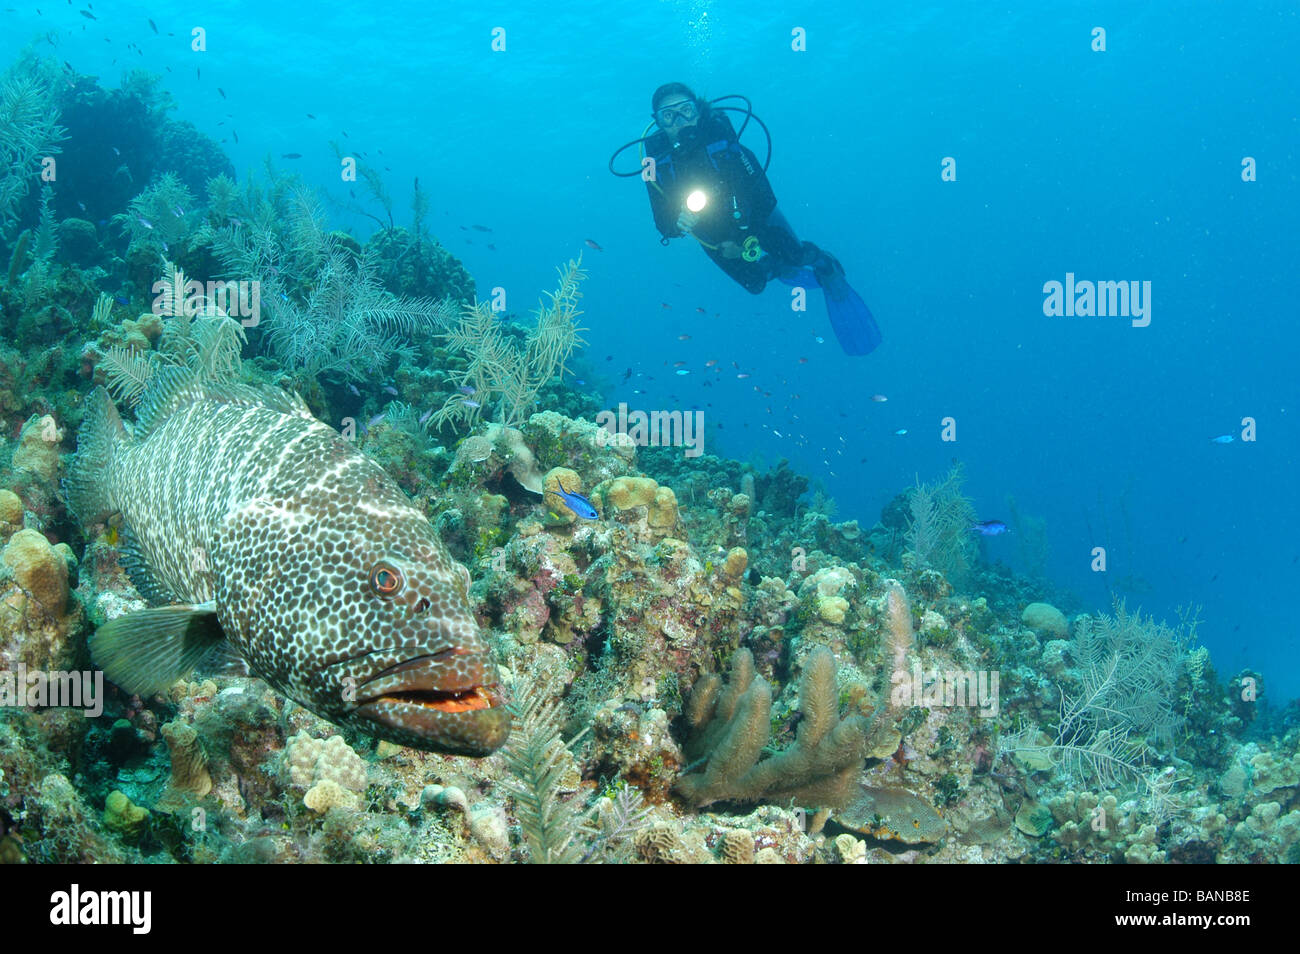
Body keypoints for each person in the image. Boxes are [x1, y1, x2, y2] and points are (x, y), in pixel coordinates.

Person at [640, 82, 881, 355]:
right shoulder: (656, 164)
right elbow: (663, 224)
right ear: (658, 123)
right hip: (714, 237)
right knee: (755, 284)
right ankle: (778, 268)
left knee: (795, 255)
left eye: (686, 110)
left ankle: (823, 262)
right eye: (669, 115)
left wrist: (743, 242)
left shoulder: (726, 145)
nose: (681, 121)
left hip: (758, 218)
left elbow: (765, 199)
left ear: (698, 111)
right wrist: (678, 223)